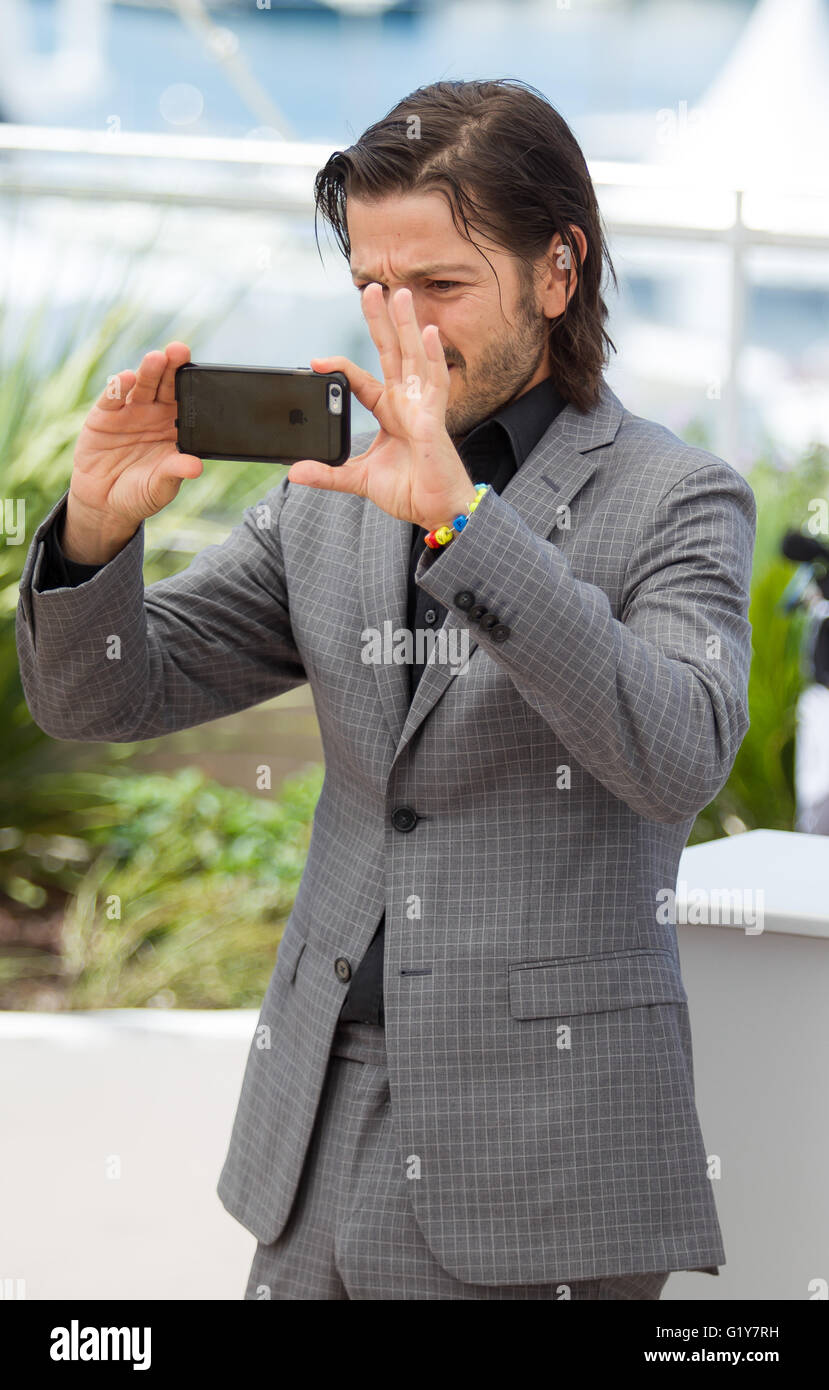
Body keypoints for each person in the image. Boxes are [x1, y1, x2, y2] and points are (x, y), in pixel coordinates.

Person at [16, 78, 755, 1300]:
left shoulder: (680, 498)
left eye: (442, 287)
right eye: (374, 286)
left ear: (556, 271)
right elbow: (101, 698)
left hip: (540, 1165)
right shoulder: (323, 495)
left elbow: (677, 750)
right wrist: (93, 536)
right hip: (312, 1137)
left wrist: (467, 524)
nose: (400, 327)